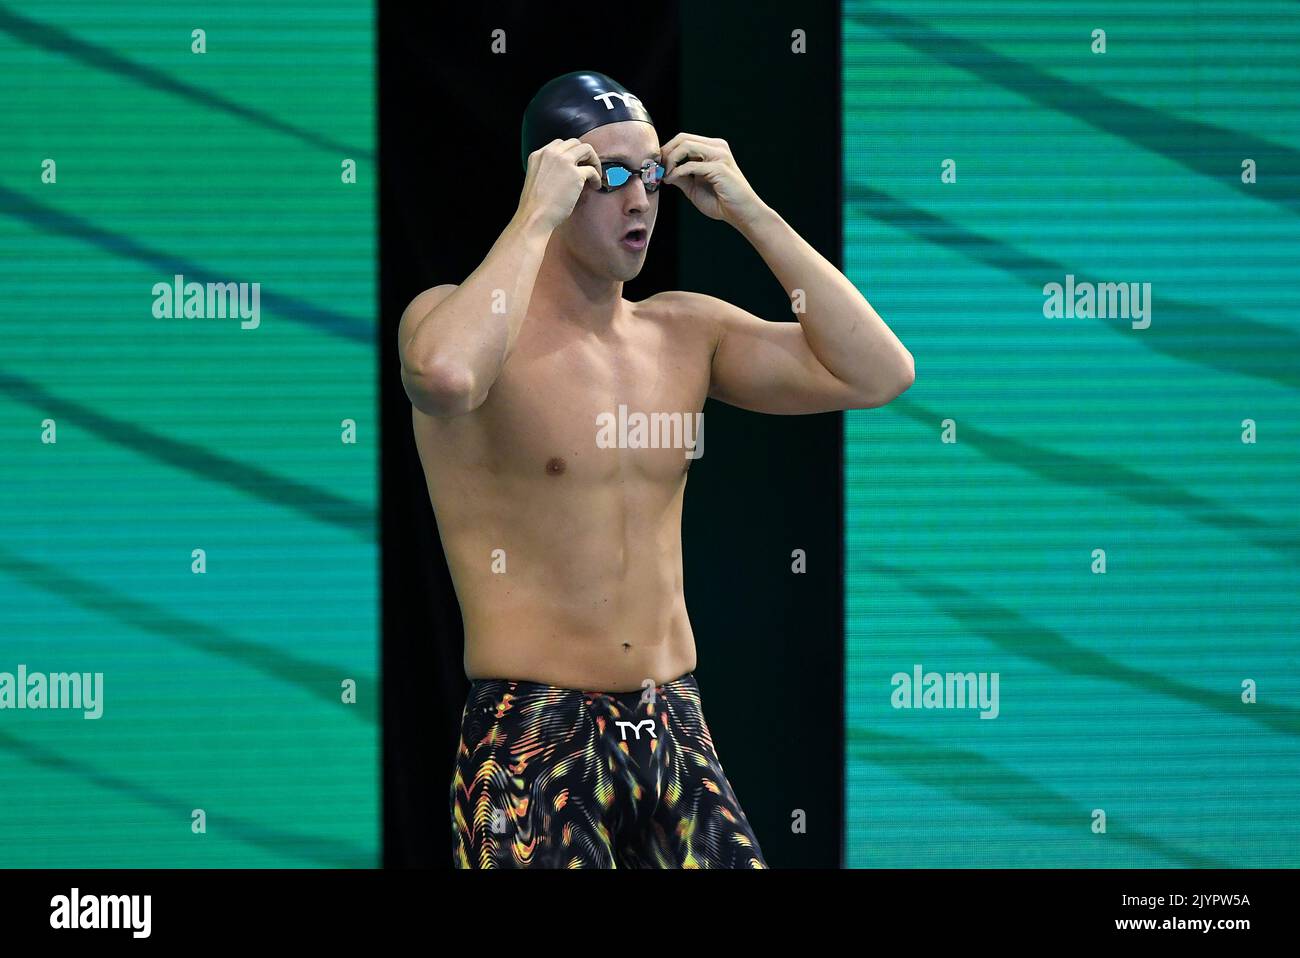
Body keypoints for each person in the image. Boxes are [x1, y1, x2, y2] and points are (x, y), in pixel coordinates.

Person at [399, 70, 914, 868]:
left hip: (675, 723)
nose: (638, 199)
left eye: (649, 175)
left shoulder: (684, 332)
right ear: (554, 180)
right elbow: (445, 378)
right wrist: (533, 217)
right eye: (607, 177)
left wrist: (753, 212)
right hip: (533, 734)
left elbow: (879, 372)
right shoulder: (455, 323)